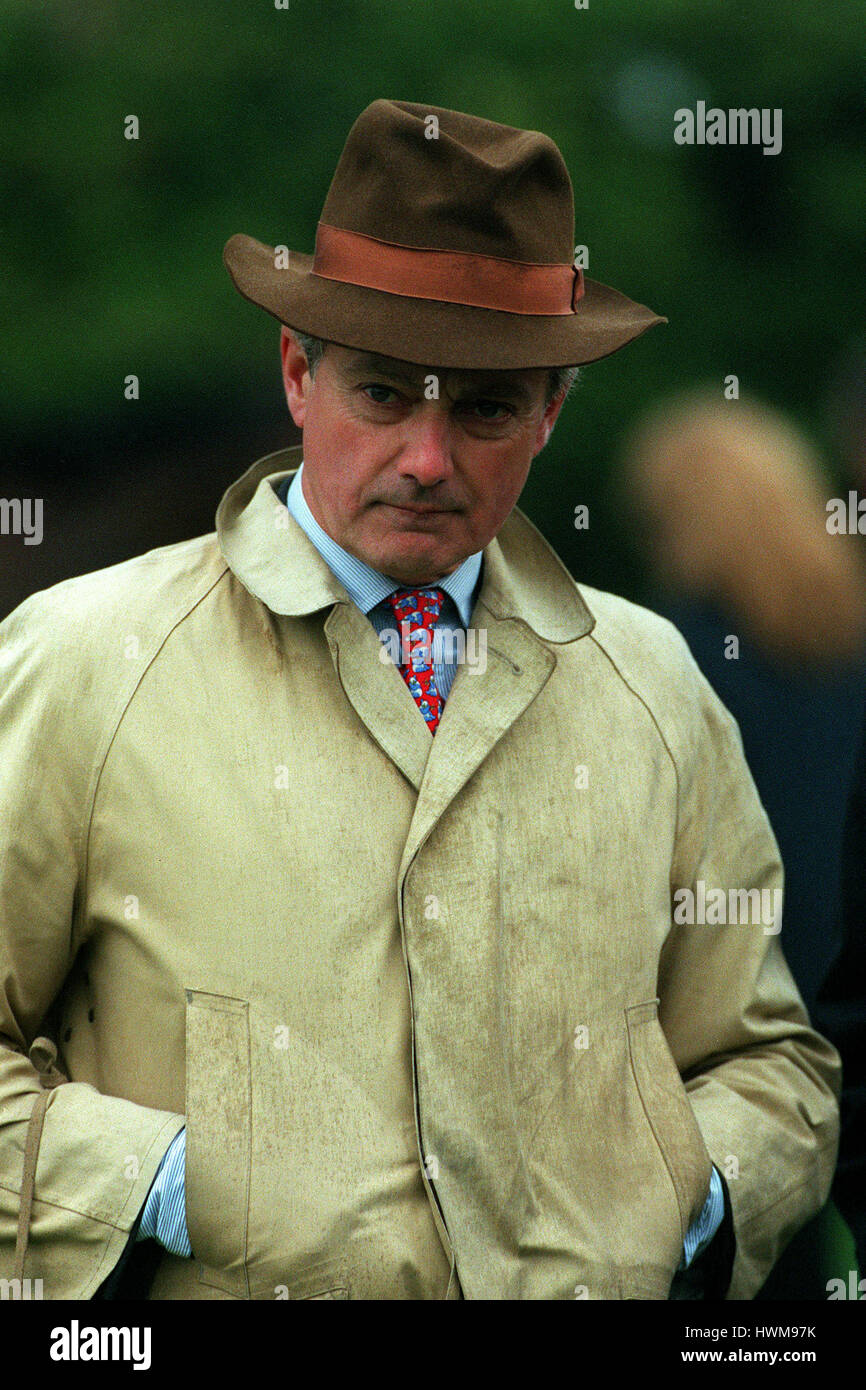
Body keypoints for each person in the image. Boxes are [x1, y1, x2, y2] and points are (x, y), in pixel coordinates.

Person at [0, 99, 840, 1301]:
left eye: (486, 407)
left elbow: (771, 1064)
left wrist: (675, 1192)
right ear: (298, 373)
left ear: (551, 413)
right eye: (384, 394)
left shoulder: (650, 680)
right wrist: (173, 1183)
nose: (428, 458)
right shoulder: (87, 657)